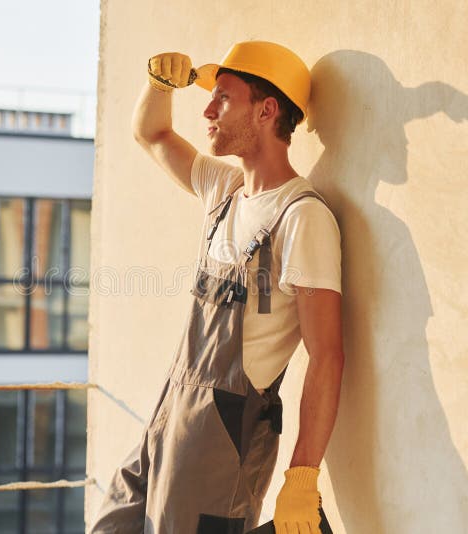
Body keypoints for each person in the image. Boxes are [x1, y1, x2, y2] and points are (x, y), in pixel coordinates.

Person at [89, 41, 344, 534]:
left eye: (223, 98)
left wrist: (303, 475)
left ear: (267, 110)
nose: (206, 110)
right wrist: (159, 83)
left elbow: (327, 355)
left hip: (224, 431)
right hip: (171, 411)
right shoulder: (223, 191)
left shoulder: (301, 218)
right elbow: (152, 132)